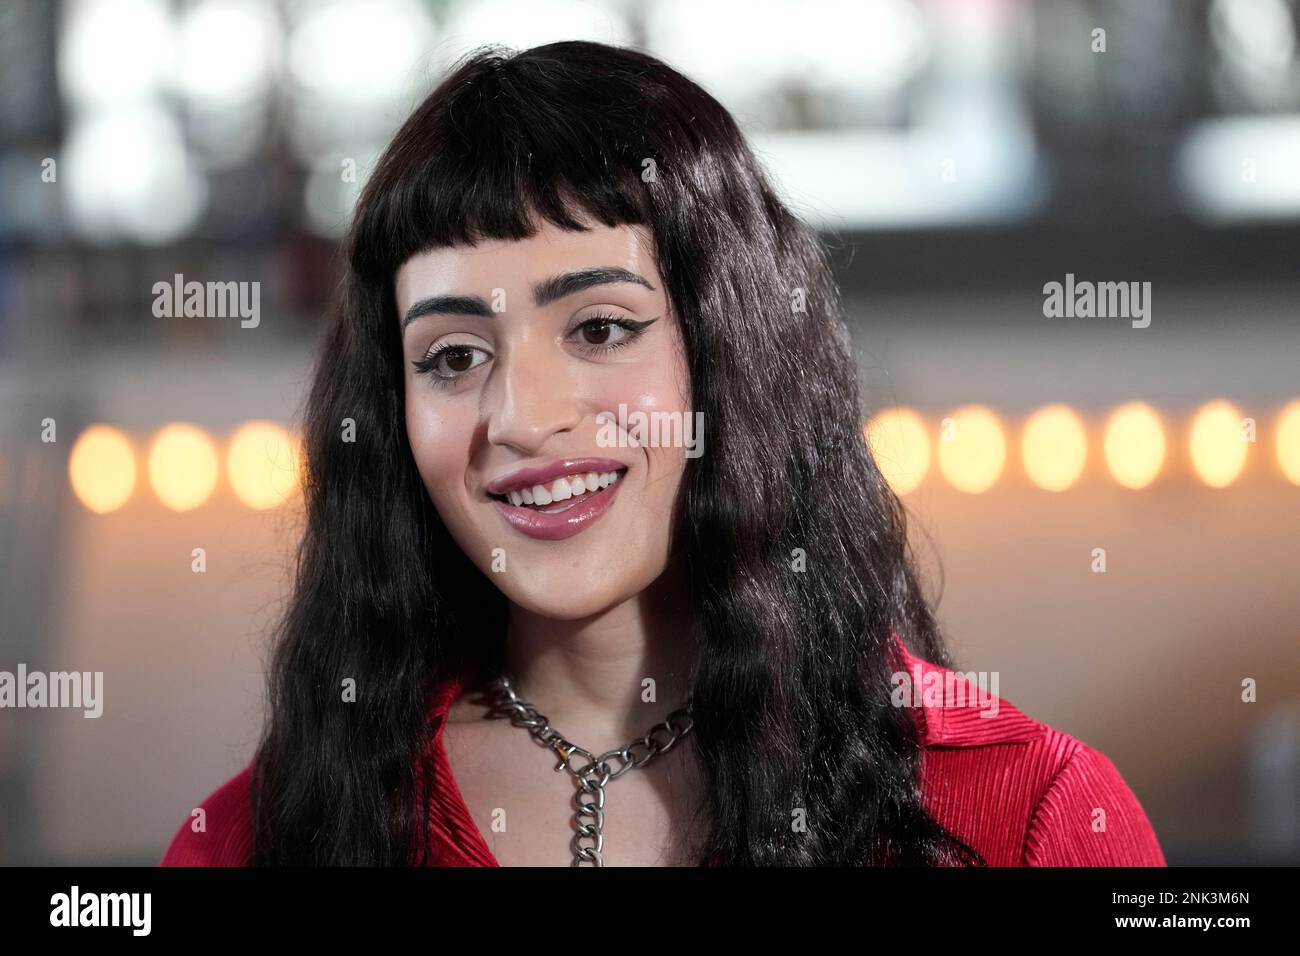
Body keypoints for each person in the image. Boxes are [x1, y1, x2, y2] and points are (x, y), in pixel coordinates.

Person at [162, 40, 1165, 867]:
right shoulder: (256, 839)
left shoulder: (1032, 815)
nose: (521, 418)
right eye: (454, 356)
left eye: (600, 328)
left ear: (732, 349)